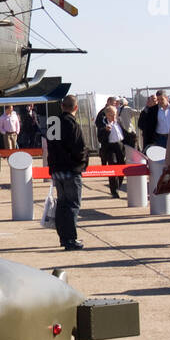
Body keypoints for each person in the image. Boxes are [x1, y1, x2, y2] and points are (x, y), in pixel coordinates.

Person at [45, 94, 88, 250]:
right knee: (72, 205)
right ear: (75, 108)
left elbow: (50, 146)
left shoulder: (52, 123)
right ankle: (70, 238)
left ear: (62, 106)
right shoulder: (72, 124)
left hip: (57, 170)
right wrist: (81, 164)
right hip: (71, 170)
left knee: (62, 204)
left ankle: (64, 237)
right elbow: (80, 148)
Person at [96, 104, 126, 198]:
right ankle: (114, 190)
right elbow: (100, 139)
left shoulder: (119, 122)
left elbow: (125, 133)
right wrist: (106, 131)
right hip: (110, 148)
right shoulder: (103, 124)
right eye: (111, 115)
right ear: (107, 115)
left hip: (120, 146)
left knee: (122, 167)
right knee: (112, 168)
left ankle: (118, 186)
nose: (113, 117)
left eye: (114, 114)